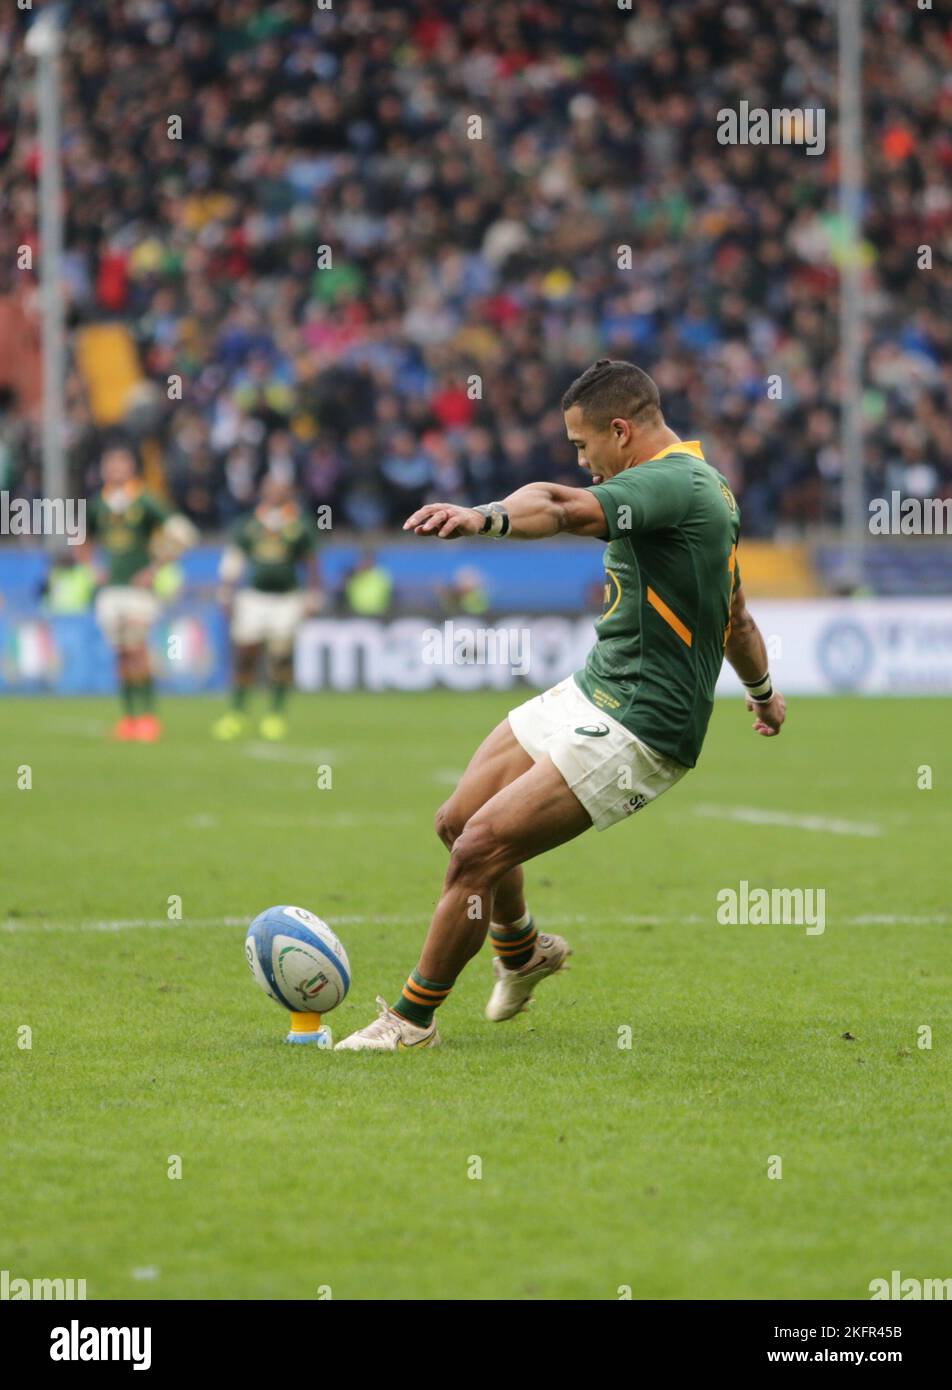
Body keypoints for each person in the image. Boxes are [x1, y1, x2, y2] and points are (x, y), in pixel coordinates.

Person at [336, 359, 786, 1050]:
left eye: (584, 447)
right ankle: (522, 953)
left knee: (480, 850)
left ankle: (409, 1021)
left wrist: (484, 518)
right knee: (457, 823)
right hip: (594, 687)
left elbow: (562, 506)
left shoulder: (672, 482)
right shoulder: (705, 486)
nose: (583, 462)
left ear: (621, 430)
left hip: (642, 723)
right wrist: (764, 694)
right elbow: (737, 618)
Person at [86, 444, 196, 741]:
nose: (115, 470)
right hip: (111, 591)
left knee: (137, 649)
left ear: (131, 468)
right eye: (110, 465)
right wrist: (91, 567)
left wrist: (155, 568)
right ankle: (129, 718)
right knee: (121, 652)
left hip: (138, 592)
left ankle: (148, 717)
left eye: (120, 464)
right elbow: (80, 536)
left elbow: (183, 532)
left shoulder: (146, 501)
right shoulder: (100, 503)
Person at [212, 476, 321, 742]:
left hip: (287, 598)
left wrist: (313, 595)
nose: (274, 492)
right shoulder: (249, 523)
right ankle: (237, 712)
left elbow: (311, 561)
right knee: (246, 654)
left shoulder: (299, 523)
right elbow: (234, 559)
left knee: (280, 657)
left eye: (280, 488)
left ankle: (276, 714)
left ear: (289, 492)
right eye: (270, 487)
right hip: (253, 598)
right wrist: (226, 591)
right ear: (262, 491)